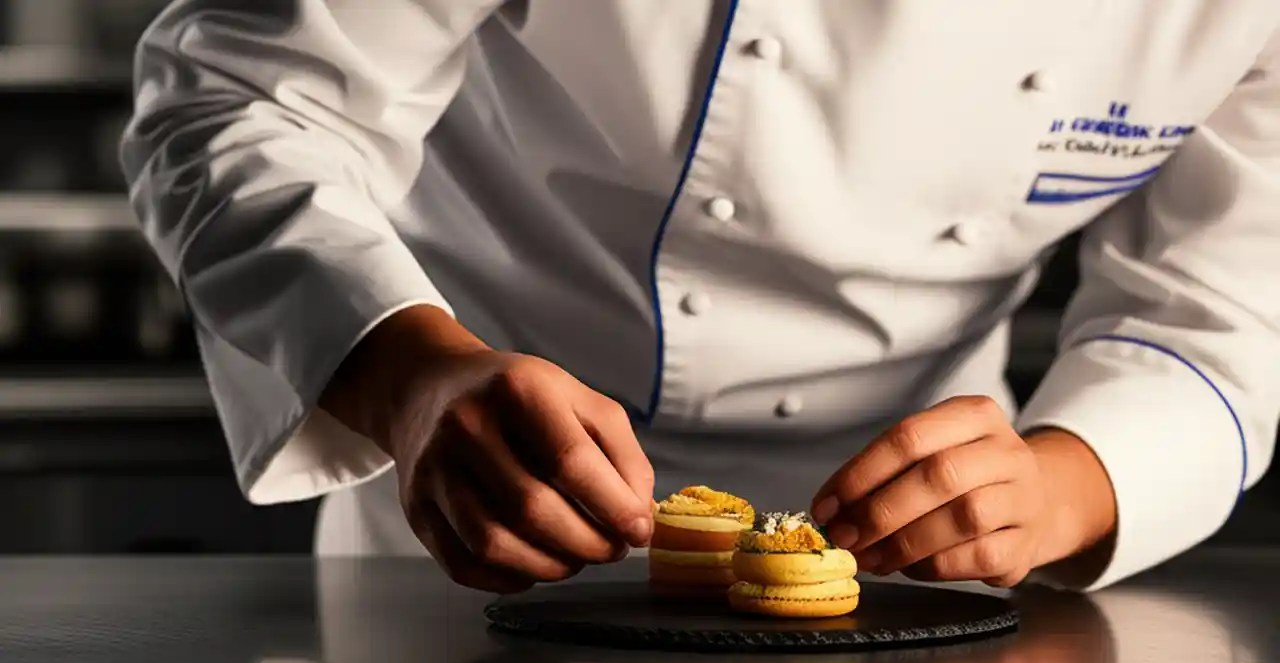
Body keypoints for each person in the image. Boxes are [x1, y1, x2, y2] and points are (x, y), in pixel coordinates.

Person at [121, 1, 1279, 593]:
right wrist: (411, 373)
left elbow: (1218, 312)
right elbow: (239, 101)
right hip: (467, 516)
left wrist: (1061, 486)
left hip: (930, 571)